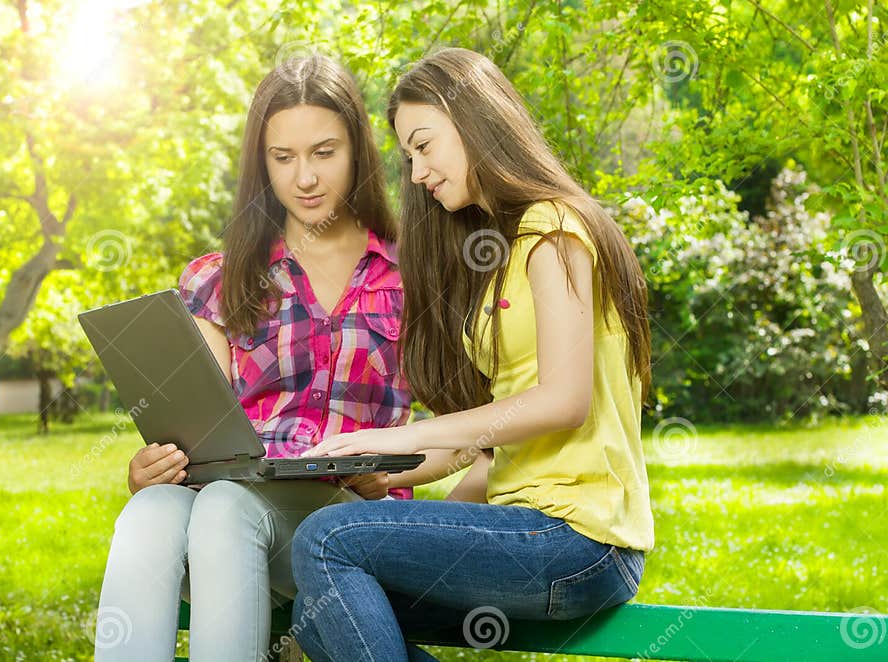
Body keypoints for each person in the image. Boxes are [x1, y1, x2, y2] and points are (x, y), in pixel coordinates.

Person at [290, 47, 655, 662]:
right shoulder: (501, 255)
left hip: (579, 538)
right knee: (316, 609)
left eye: (424, 145)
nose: (417, 172)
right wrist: (386, 476)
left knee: (326, 540)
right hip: (528, 527)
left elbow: (564, 402)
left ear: (476, 120)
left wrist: (403, 438)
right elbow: (484, 446)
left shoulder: (553, 229)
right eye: (408, 156)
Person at [94, 55, 414, 661]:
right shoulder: (222, 277)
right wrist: (153, 468)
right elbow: (201, 427)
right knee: (152, 509)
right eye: (282, 157)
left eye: (324, 153)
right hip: (231, 512)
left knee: (225, 506)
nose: (305, 178)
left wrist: (395, 469)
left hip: (350, 522)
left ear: (358, 152)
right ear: (261, 162)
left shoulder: (408, 273)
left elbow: (468, 426)